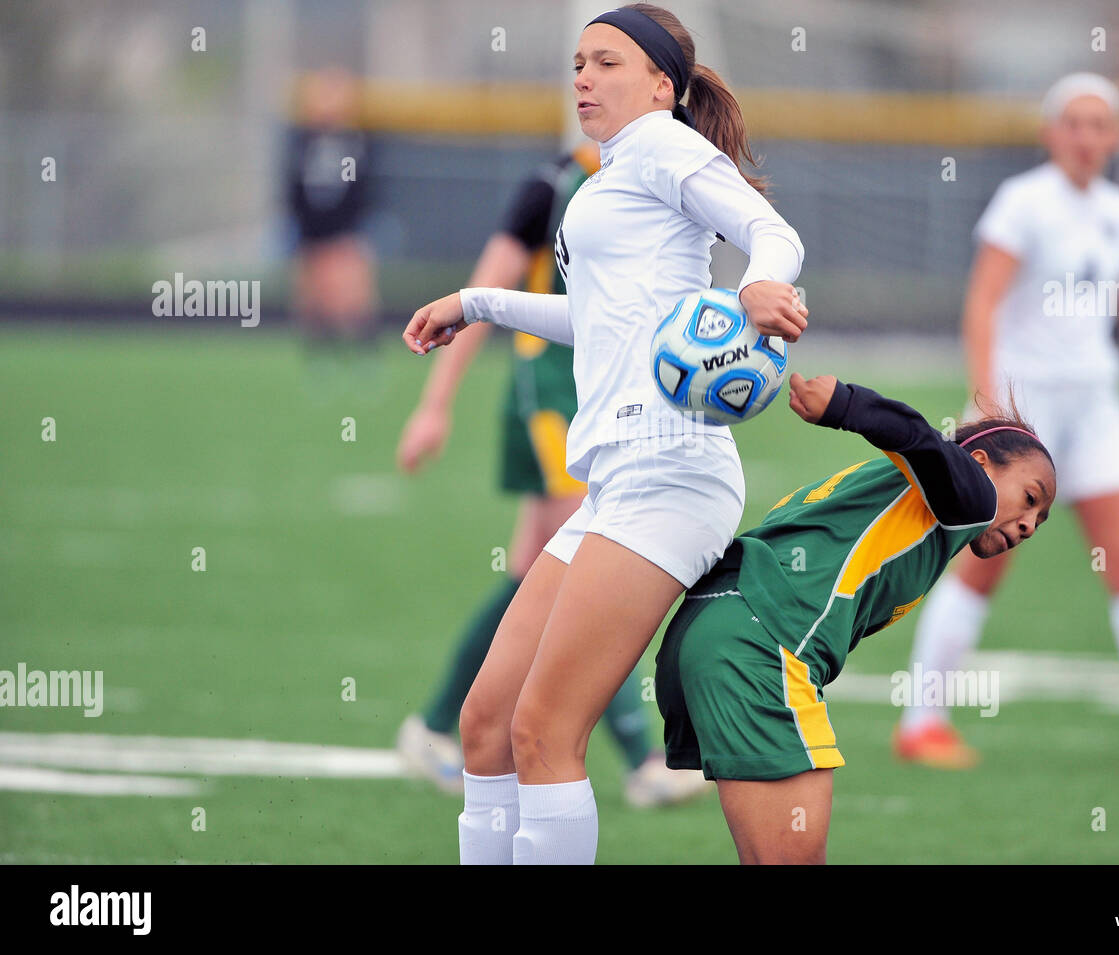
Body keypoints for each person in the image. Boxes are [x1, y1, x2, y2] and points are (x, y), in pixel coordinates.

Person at [403, 3, 808, 865]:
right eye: (578, 62)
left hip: (671, 473)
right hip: (617, 482)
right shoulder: (609, 172)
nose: (582, 76)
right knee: (487, 725)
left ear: (662, 85)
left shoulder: (663, 145)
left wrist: (757, 291)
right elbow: (593, 316)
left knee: (545, 730)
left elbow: (772, 233)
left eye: (607, 62)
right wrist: (474, 303)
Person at [893, 73, 1119, 774]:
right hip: (1024, 411)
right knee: (984, 565)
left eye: (1101, 125)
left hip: (1096, 405)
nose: (1088, 137)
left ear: (1116, 137)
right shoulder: (1022, 202)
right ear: (1051, 131)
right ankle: (921, 721)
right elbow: (982, 303)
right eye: (1075, 122)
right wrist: (989, 403)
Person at [395, 140, 710, 808]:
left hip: (604, 389)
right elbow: (482, 293)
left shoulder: (660, 174)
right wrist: (435, 404)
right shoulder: (553, 185)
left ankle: (429, 726)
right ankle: (643, 756)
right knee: (591, 562)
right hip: (551, 393)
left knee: (534, 571)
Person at [655, 371, 1057, 864]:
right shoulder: (972, 497)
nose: (1029, 524)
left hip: (711, 627)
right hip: (762, 646)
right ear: (977, 464)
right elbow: (919, 438)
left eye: (1040, 521)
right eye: (1031, 499)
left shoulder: (905, 497)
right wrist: (845, 404)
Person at [285, 70, 378, 351]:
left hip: (344, 228)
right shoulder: (303, 140)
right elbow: (294, 185)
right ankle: (319, 352)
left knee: (351, 293)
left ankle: (363, 350)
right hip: (311, 229)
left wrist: (351, 225)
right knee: (313, 294)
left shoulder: (354, 140)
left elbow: (361, 188)